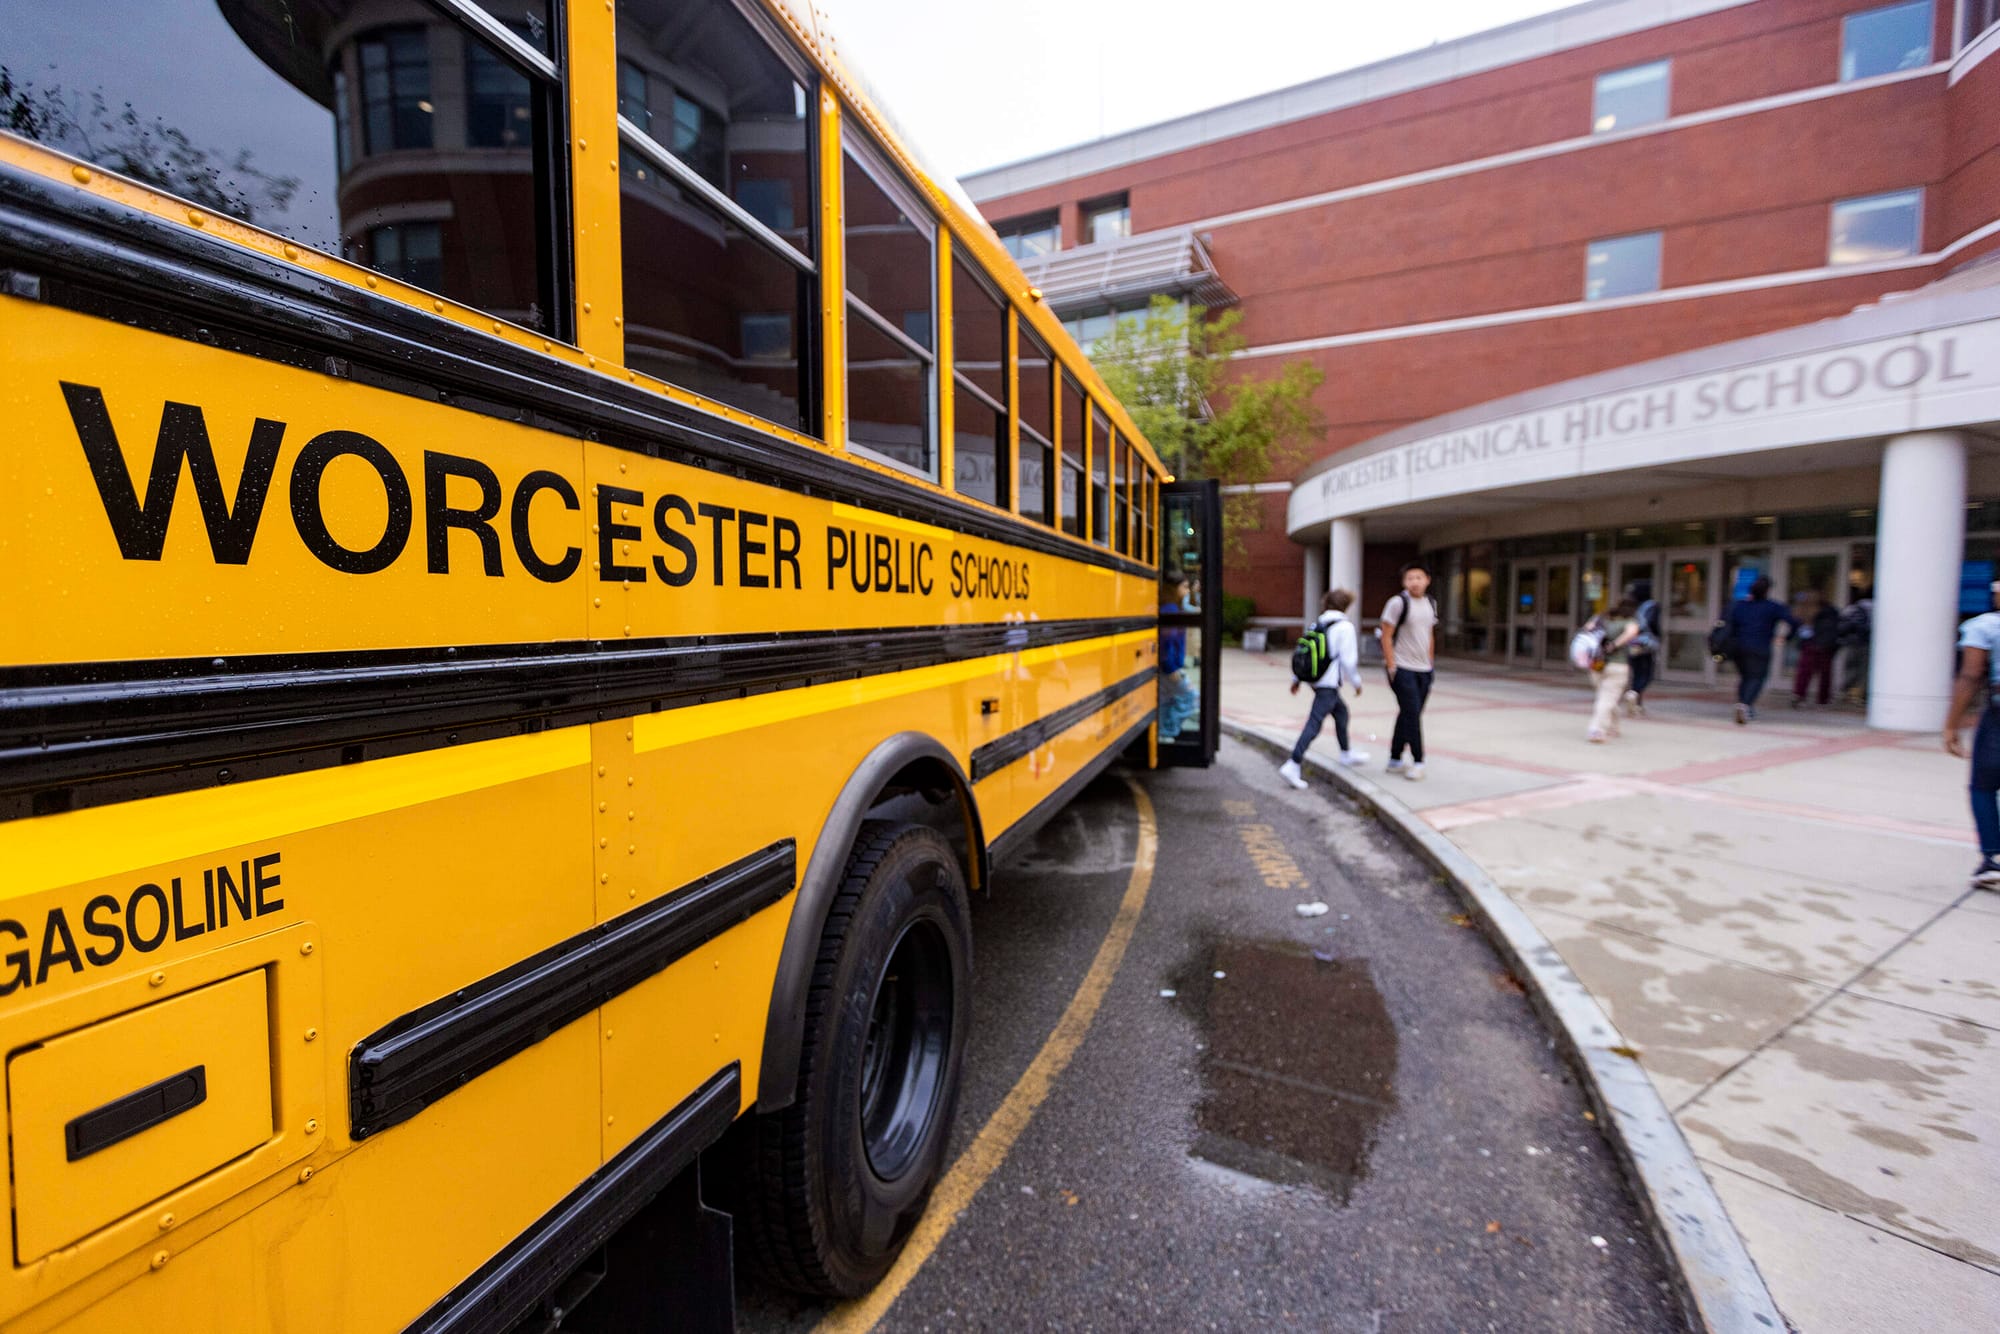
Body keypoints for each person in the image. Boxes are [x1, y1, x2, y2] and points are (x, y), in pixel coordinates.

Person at [1279, 589, 1368, 788]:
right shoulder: (1345, 627)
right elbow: (1349, 660)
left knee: (1341, 713)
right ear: (1346, 606)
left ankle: (1346, 753)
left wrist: (1297, 679)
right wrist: (1356, 683)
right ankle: (1293, 763)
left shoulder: (1318, 623)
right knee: (1314, 723)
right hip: (1328, 683)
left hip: (1315, 680)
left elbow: (1304, 652)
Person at [1946, 590, 2000, 891]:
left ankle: (1992, 857)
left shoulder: (1985, 626)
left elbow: (1970, 675)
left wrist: (1951, 725)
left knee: (1983, 784)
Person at [1380, 561, 1437, 781]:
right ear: (1404, 582)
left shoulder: (1431, 603)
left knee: (1409, 713)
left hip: (1424, 669)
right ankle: (1418, 761)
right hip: (1403, 668)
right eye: (1410, 578)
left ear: (1427, 580)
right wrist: (1391, 666)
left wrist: (1430, 662)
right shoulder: (1397, 603)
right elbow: (1386, 635)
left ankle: (1395, 759)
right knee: (1412, 714)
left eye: (1419, 577)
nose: (1415, 582)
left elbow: (1429, 634)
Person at [1724, 575, 1796, 723]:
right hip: (1760, 647)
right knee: (1756, 678)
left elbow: (1727, 624)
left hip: (1739, 647)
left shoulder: (1739, 606)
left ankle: (1743, 704)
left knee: (1746, 677)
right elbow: (1794, 622)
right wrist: (1786, 638)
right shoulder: (1773, 607)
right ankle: (1745, 705)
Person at [1586, 598, 1643, 742]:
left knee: (1606, 697)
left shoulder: (1602, 618)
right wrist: (1615, 645)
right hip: (1618, 665)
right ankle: (1597, 730)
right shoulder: (1630, 621)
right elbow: (1631, 633)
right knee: (1607, 699)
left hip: (1597, 664)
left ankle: (1614, 727)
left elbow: (1588, 629)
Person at [1158, 571, 1198, 739]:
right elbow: (1166, 643)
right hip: (1170, 668)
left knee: (1165, 702)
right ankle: (1169, 732)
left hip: (1166, 667)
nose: (1188, 591)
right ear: (1173, 589)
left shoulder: (1168, 608)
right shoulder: (1171, 610)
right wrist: (1171, 668)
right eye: (1185, 587)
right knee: (1191, 697)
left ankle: (1163, 733)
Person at [1791, 592, 1841, 708]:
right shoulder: (1830, 612)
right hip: (1824, 646)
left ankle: (1799, 695)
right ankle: (1822, 699)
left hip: (1811, 645)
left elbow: (1800, 629)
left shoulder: (1807, 613)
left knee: (1805, 672)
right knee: (1825, 674)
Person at [1623, 579, 1662, 717]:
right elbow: (1653, 625)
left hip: (1631, 642)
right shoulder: (1651, 606)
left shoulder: (1631, 605)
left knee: (1636, 672)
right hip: (1645, 644)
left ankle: (1636, 703)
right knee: (1647, 673)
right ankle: (1635, 693)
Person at [1838, 590, 1873, 702]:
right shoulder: (1876, 607)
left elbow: (1842, 625)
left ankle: (1845, 692)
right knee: (1864, 669)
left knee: (1850, 667)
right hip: (1867, 643)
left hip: (1852, 642)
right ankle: (1861, 694)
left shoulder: (1852, 608)